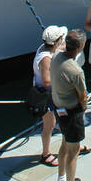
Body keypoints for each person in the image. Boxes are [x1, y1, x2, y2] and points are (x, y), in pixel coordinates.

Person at [49, 29, 91, 181]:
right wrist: (84, 108)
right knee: (73, 152)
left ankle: (62, 180)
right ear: (81, 46)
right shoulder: (76, 71)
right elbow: (82, 95)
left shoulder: (55, 58)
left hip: (58, 108)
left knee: (64, 144)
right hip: (72, 112)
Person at [32, 24, 66, 165]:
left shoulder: (44, 47)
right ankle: (45, 154)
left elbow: (56, 49)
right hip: (48, 96)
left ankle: (71, 144)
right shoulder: (45, 58)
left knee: (65, 120)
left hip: (54, 94)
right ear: (56, 41)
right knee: (49, 125)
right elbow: (46, 81)